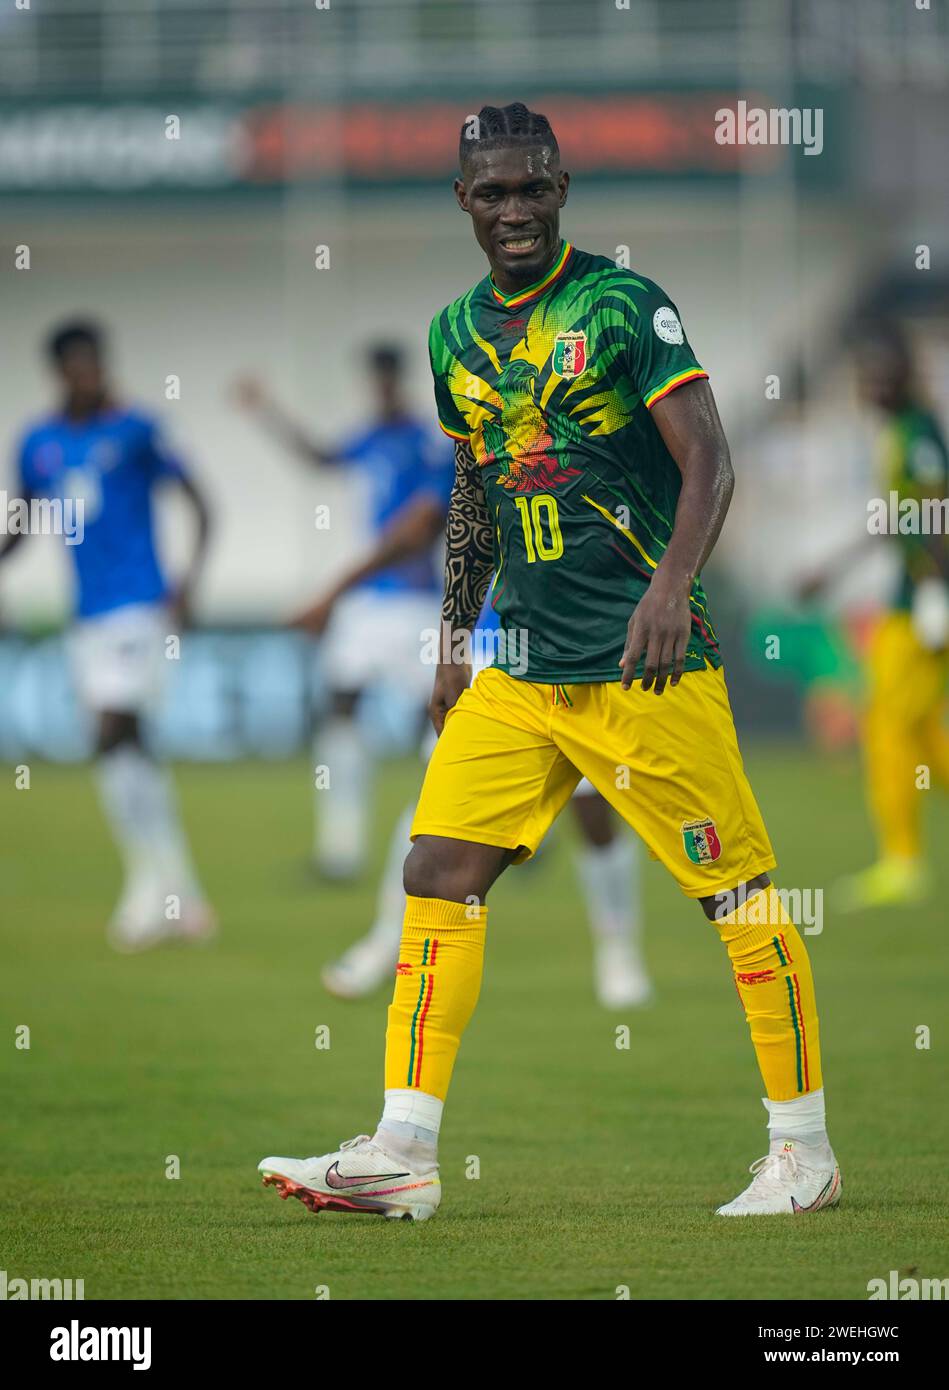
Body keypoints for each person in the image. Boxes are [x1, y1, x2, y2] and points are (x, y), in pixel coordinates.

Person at [258, 103, 838, 1221]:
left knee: (740, 900)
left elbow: (709, 458)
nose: (515, 210)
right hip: (518, 667)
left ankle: (803, 1150)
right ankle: (403, 1150)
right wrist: (452, 637)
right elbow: (473, 489)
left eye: (532, 189)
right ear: (463, 201)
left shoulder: (623, 305)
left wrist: (671, 587)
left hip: (642, 664)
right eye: (493, 193)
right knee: (435, 871)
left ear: (562, 187)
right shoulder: (451, 337)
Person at [0, 320, 214, 951]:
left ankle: (149, 891)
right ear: (60, 371)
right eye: (77, 366)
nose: (89, 375)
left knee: (111, 728)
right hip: (86, 616)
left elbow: (202, 501)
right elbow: (21, 523)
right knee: (129, 749)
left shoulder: (138, 430)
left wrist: (189, 582)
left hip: (141, 606)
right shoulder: (37, 443)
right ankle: (179, 892)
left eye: (95, 363)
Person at [235, 344, 453, 880]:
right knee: (339, 707)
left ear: (399, 381)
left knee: (448, 720)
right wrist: (267, 411)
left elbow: (424, 524)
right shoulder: (369, 439)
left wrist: (330, 593)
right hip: (367, 603)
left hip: (414, 601)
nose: (378, 389)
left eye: (385, 379)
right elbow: (320, 458)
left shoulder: (429, 441)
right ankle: (342, 849)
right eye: (372, 380)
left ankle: (500, 829)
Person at [802, 323, 949, 908]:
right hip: (907, 598)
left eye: (884, 375)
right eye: (868, 377)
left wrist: (939, 593)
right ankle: (901, 858)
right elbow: (899, 522)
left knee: (888, 722)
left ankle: (903, 862)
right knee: (917, 729)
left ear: (904, 378)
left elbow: (937, 515)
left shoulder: (918, 433)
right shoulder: (898, 434)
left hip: (922, 603)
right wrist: (833, 568)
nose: (874, 385)